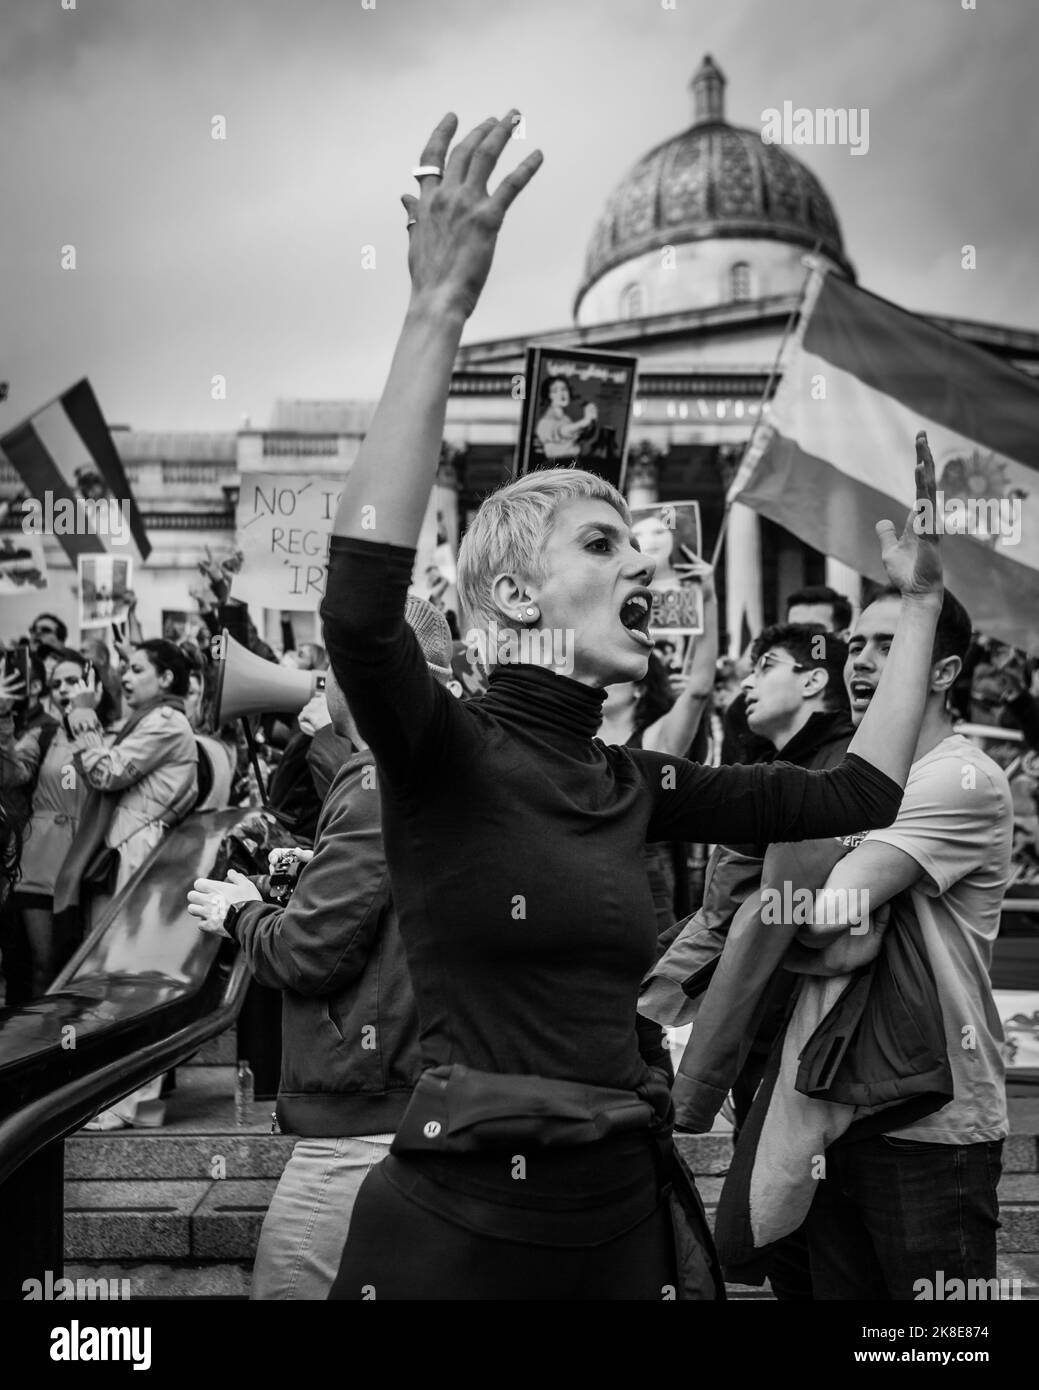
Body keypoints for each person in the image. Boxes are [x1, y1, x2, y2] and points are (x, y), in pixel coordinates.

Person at [321, 109, 943, 1302]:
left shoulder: (631, 780)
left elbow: (859, 788)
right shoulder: (445, 750)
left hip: (626, 1230)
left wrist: (915, 606)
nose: (648, 567)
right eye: (604, 542)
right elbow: (358, 613)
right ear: (512, 592)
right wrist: (438, 308)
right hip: (466, 1244)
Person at [186, 597, 450, 1299]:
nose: (316, 682)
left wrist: (242, 915)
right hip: (413, 1084)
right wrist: (307, 870)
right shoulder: (436, 764)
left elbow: (308, 956)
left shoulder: (374, 779)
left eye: (327, 668)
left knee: (288, 1284)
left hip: (363, 1103)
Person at [796, 586, 1012, 1300]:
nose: (859, 660)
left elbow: (825, 910)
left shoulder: (959, 776)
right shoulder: (846, 779)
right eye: (854, 644)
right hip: (832, 1109)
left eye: (888, 644)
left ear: (943, 670)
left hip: (931, 1122)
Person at [640, 622, 854, 1299]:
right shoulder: (774, 776)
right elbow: (720, 915)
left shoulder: (841, 776)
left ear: (814, 680)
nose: (749, 681)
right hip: (765, 1043)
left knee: (818, 1242)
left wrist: (690, 1083)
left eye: (767, 665)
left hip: (814, 1048)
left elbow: (765, 924)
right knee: (789, 1246)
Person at [55, 640, 199, 1131]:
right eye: (127, 667)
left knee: (131, 982)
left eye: (138, 669)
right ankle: (130, 1102)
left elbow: (107, 772)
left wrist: (82, 718)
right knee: (123, 981)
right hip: (136, 855)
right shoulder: (156, 721)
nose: (127, 676)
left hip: (142, 857)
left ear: (167, 680)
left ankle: (129, 1104)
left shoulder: (166, 723)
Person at [2, 658, 118, 996]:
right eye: (57, 684)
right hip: (42, 862)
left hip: (91, 863)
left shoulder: (113, 734)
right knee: (43, 965)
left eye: (73, 680)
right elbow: (10, 775)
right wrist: (2, 718)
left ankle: (72, 1041)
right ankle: (43, 1043)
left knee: (80, 967)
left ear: (94, 686)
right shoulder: (44, 733)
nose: (65, 689)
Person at [535, 376, 598, 460]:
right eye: (555, 391)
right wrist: (584, 421)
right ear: (548, 395)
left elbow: (580, 437)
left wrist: (591, 421)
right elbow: (562, 431)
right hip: (556, 465)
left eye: (564, 389)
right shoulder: (545, 421)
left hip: (573, 463)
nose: (562, 394)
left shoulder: (566, 419)